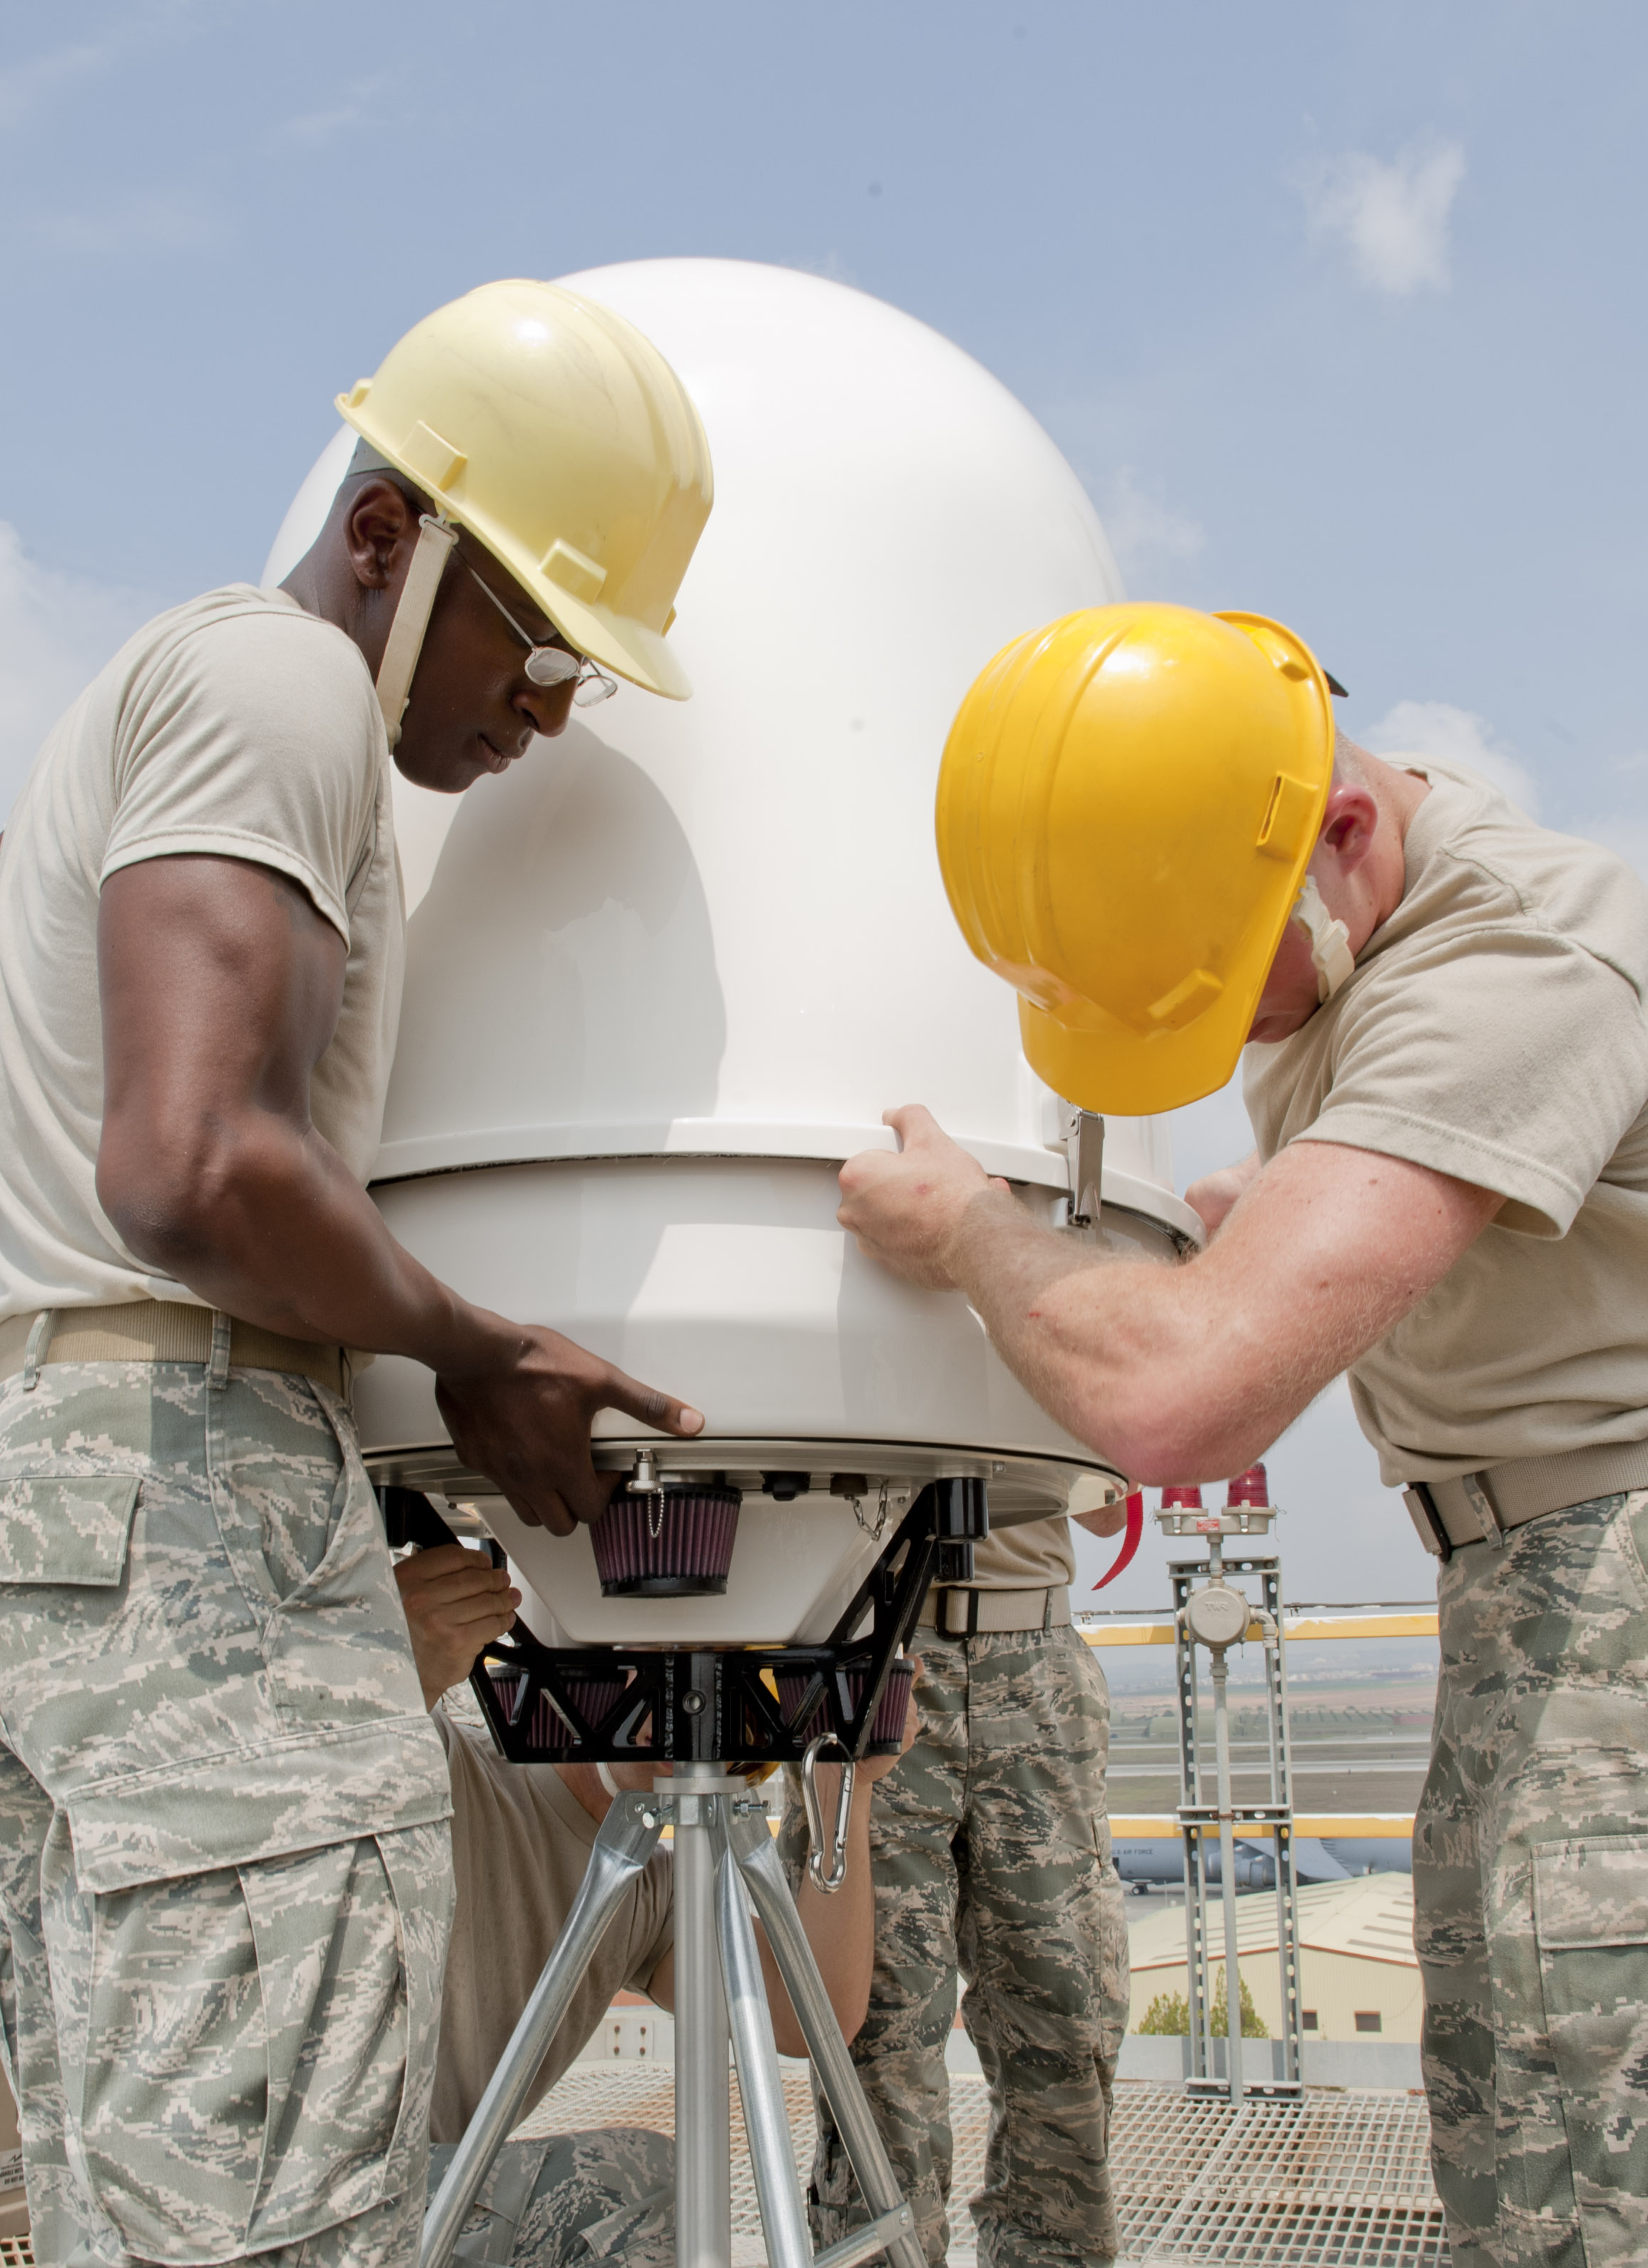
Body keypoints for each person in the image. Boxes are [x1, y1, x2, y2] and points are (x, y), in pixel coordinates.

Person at [0, 280, 713, 2268]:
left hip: (51, 1494)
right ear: (384, 543)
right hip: (195, 1514)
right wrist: (472, 1343)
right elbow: (194, 1160)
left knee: (152, 2200)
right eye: (534, 658)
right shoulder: (283, 694)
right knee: (271, 2216)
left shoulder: (145, 699)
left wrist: (86, 1320)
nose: (539, 722)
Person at [835, 600, 1648, 2268]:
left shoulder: (1505, 958)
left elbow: (1179, 1403)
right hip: (1532, 1596)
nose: (1243, 1039)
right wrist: (1284, 1209)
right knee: (1518, 2111)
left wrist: (971, 1234)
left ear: (1345, 833)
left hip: (1602, 1581)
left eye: (1231, 991)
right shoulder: (1355, 935)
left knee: (1583, 2145)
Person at [392, 1540, 914, 2268]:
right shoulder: (437, 1765)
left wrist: (840, 1782)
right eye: (657, 1653)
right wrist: (392, 1668)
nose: (685, 1701)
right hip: (296, 2199)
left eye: (721, 1672)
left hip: (409, 2204)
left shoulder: (646, 1890)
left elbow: (810, 2013)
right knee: (626, 2183)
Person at [776, 1502, 1129, 2267]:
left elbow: (1109, 1499)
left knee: (1065, 2022)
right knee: (878, 2043)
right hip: (871, 1647)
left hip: (1035, 1657)